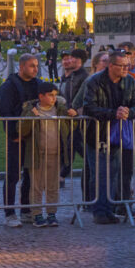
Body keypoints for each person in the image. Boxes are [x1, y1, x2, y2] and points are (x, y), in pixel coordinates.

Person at [79, 49, 135, 224]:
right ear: (111, 66)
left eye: (127, 66)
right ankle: (99, 210)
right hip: (97, 134)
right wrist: (113, 113)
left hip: (117, 134)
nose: (125, 69)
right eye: (122, 66)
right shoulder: (94, 81)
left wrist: (128, 112)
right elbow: (89, 107)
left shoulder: (129, 81)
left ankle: (110, 209)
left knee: (113, 172)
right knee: (98, 173)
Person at [0, 53, 45, 227]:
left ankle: (26, 210)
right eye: (32, 66)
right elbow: (5, 112)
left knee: (31, 175)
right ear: (22, 66)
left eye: (36, 66)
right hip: (16, 137)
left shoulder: (38, 84)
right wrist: (13, 134)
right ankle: (9, 212)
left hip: (34, 136)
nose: (35, 69)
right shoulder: (9, 86)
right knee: (13, 175)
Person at [19, 80, 71, 227]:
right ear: (41, 96)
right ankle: (37, 214)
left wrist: (71, 117)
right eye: (50, 95)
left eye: (55, 95)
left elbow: (69, 129)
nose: (53, 98)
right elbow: (21, 129)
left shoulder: (59, 109)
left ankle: (52, 213)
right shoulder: (31, 109)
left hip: (55, 153)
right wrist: (32, 117)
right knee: (36, 186)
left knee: (52, 185)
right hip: (36, 154)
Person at [56, 48, 90, 184]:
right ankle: (63, 174)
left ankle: (62, 175)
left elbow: (83, 96)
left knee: (73, 144)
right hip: (69, 116)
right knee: (73, 144)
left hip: (77, 117)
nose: (71, 60)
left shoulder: (83, 76)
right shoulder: (69, 76)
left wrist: (75, 110)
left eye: (74, 58)